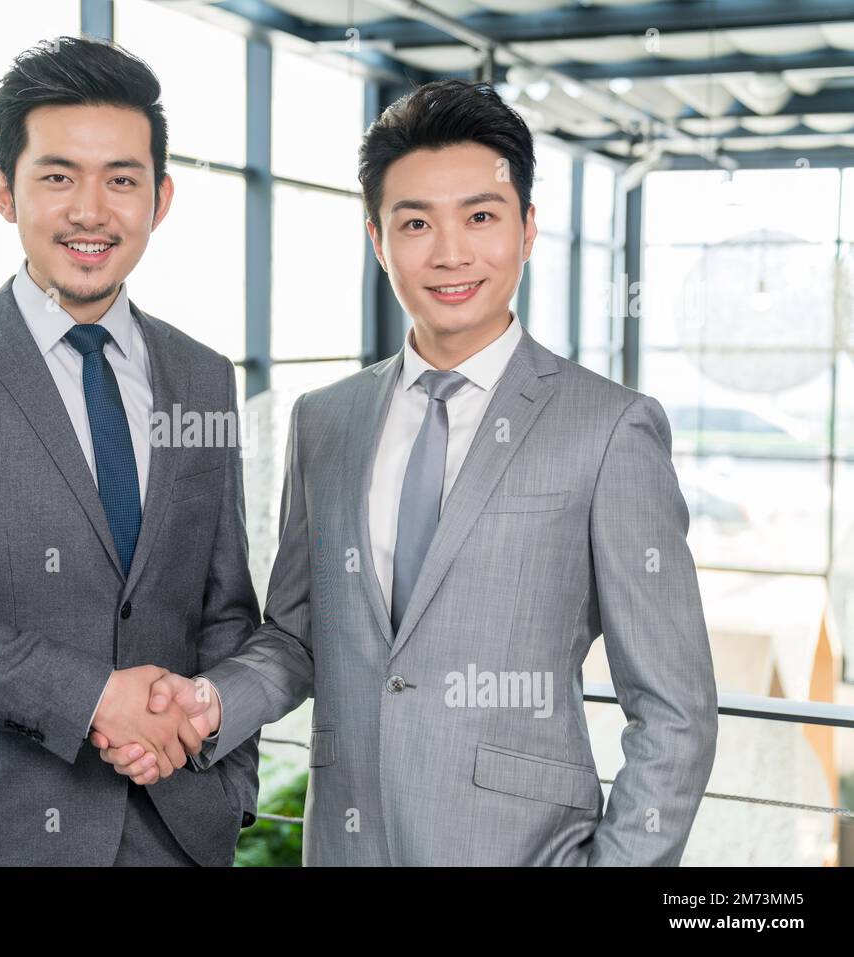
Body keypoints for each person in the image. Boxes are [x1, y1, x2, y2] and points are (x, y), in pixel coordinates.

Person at [94, 79, 719, 866]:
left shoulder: (608, 428)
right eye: (416, 222)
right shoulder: (325, 420)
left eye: (481, 217)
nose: (450, 252)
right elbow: (296, 636)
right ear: (377, 239)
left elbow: (676, 711)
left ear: (527, 229)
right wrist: (207, 701)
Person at [0, 36, 260, 866]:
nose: (91, 211)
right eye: (58, 176)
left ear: (160, 198)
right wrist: (94, 696)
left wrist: (230, 782)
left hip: (171, 831)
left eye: (122, 180)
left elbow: (223, 609)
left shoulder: (203, 377)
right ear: (5, 191)